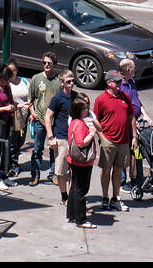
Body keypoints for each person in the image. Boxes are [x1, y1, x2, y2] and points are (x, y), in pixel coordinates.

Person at [92, 71, 136, 211]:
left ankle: (115, 198)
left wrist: (134, 136)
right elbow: (95, 121)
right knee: (106, 170)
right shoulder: (101, 100)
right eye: (117, 82)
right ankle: (105, 197)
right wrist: (101, 138)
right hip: (108, 141)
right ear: (109, 83)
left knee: (118, 170)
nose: (120, 84)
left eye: (120, 81)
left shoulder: (125, 97)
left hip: (124, 141)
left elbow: (131, 117)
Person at [118, 57, 150, 195]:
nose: (135, 69)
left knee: (136, 152)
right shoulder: (120, 86)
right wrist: (132, 122)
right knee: (126, 152)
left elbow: (137, 101)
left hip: (135, 122)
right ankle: (123, 181)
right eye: (133, 67)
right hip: (127, 125)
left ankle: (136, 178)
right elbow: (121, 109)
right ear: (128, 70)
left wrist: (146, 115)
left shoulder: (132, 82)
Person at [27, 53, 61, 184]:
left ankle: (53, 174)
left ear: (54, 64)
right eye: (44, 63)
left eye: (49, 63)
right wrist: (33, 113)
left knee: (54, 148)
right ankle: (35, 175)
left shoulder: (59, 81)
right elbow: (30, 99)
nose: (46, 65)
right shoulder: (36, 79)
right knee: (37, 148)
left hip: (54, 120)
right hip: (40, 119)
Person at [66, 96, 98, 228]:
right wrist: (91, 133)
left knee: (74, 188)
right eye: (85, 107)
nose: (87, 109)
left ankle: (72, 214)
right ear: (80, 110)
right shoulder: (79, 124)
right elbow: (80, 143)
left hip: (75, 161)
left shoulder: (74, 122)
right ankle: (81, 220)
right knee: (81, 189)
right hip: (81, 163)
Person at [44, 71, 76, 206]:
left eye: (73, 81)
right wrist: (51, 137)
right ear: (62, 82)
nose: (72, 83)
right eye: (68, 81)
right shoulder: (58, 98)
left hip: (75, 138)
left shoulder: (76, 97)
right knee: (62, 171)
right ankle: (64, 196)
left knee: (74, 171)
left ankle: (73, 197)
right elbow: (47, 117)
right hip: (62, 138)